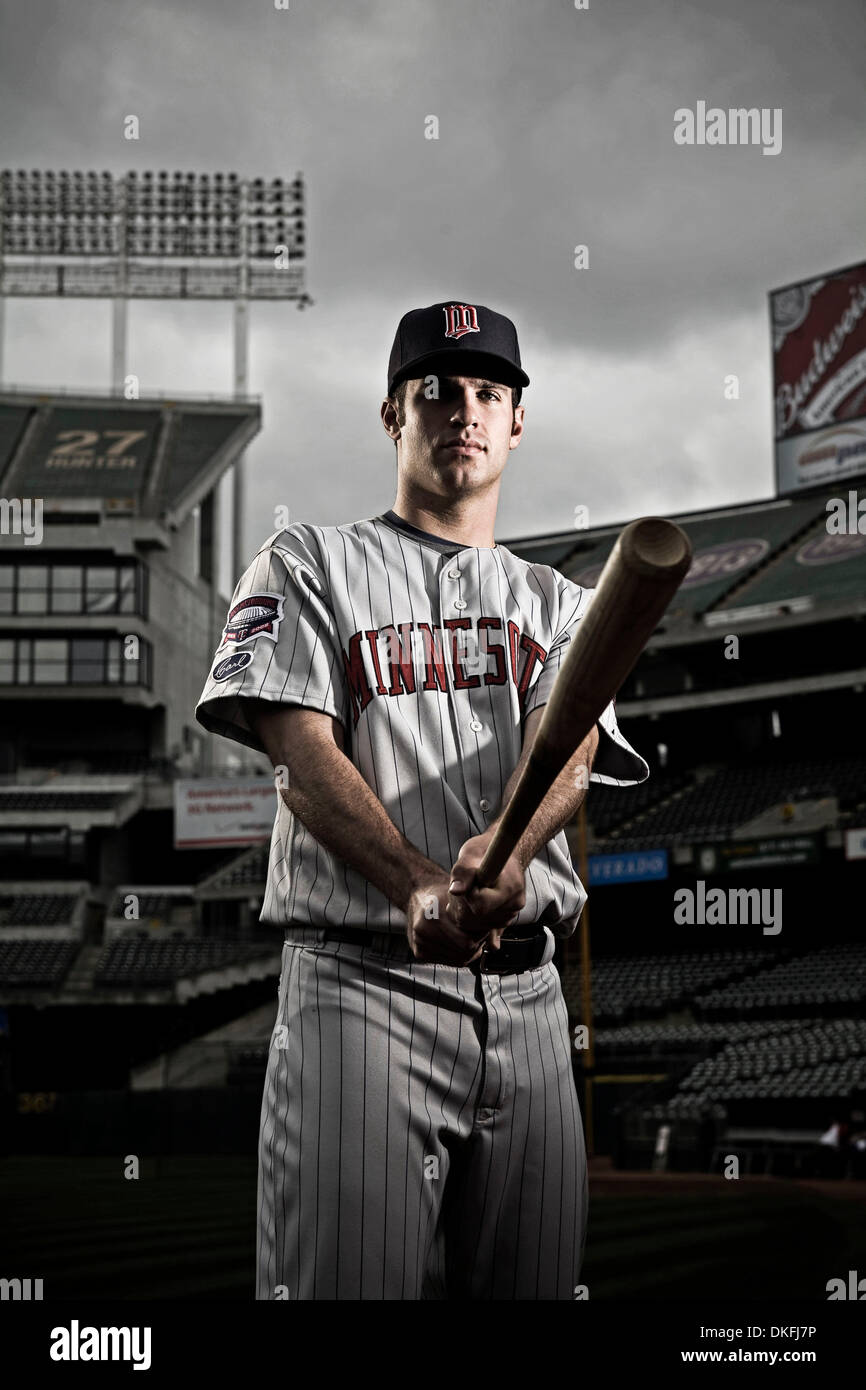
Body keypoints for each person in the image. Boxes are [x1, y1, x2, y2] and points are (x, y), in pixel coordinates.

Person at [195, 299, 648, 1300]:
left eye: (489, 391)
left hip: (529, 1002)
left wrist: (512, 846)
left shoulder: (558, 602)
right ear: (392, 414)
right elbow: (298, 752)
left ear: (517, 419)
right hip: (362, 989)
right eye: (435, 390)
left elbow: (564, 755)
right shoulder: (305, 565)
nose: (464, 411)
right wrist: (410, 881)